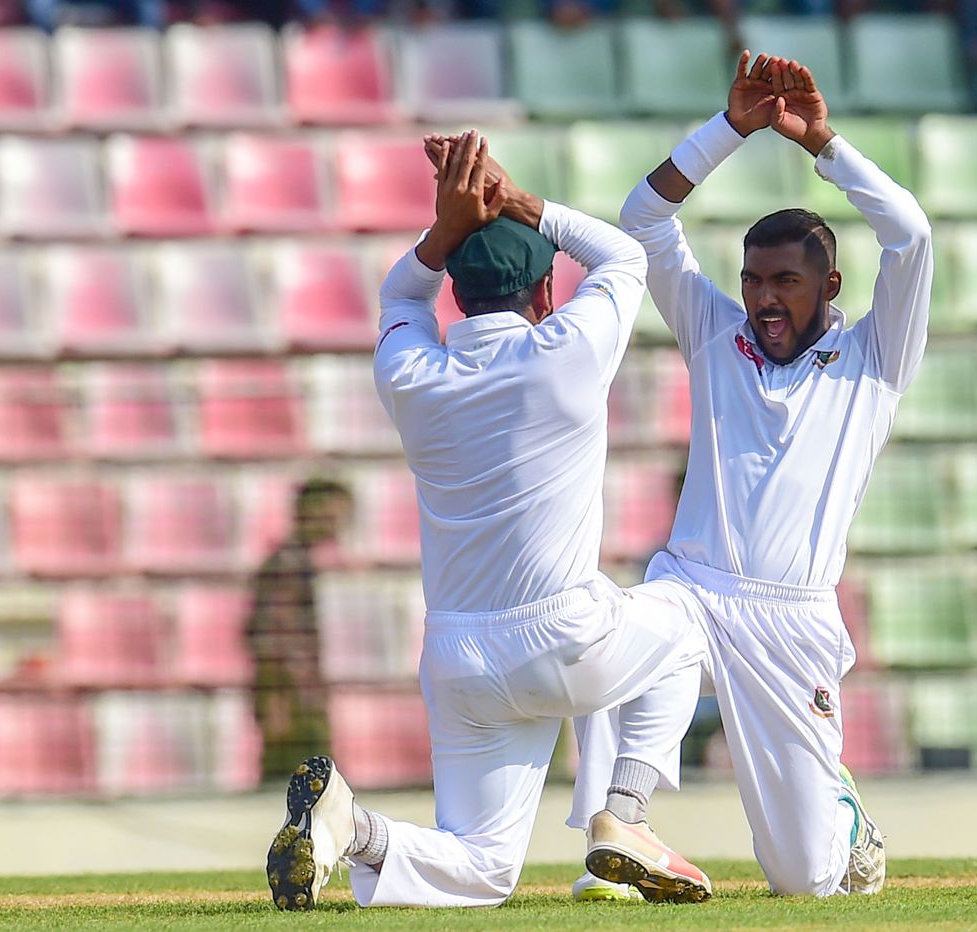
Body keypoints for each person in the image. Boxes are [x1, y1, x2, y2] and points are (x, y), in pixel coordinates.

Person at [264, 132, 711, 910]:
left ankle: (350, 828)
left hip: (460, 654)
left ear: (458, 299)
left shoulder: (412, 374)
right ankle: (626, 815)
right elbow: (625, 256)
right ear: (543, 298)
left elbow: (399, 298)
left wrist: (445, 230)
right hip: (567, 639)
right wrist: (517, 200)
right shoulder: (565, 353)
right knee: (695, 611)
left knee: (483, 868)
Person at [571, 51, 933, 898]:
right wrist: (730, 130)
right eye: (753, 280)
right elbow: (642, 220)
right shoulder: (711, 329)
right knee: (628, 635)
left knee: (806, 880)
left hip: (794, 623)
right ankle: (623, 826)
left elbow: (911, 234)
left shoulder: (875, 356)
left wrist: (822, 143)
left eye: (786, 283)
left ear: (830, 286)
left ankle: (841, 812)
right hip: (691, 583)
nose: (765, 299)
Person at [245, 477, 353, 783]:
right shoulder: (287, 565)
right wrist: (277, 701)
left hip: (299, 694)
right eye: (334, 516)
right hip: (292, 700)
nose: (338, 525)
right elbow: (269, 641)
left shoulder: (297, 562)